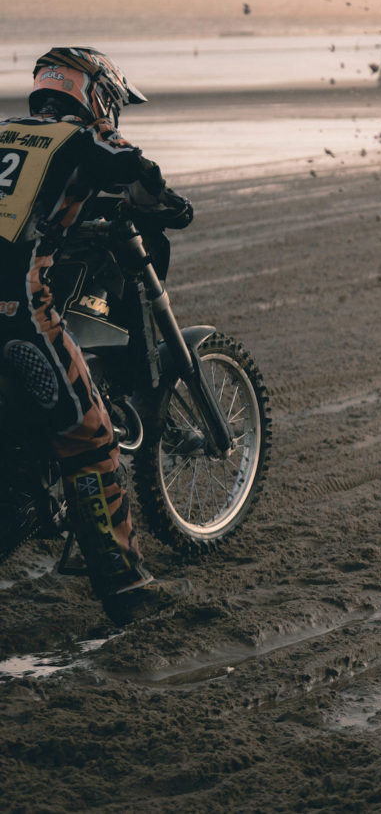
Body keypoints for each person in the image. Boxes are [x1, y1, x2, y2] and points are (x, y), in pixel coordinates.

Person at [1, 47, 193, 622]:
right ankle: (127, 591)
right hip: (17, 314)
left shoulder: (7, 133)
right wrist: (167, 203)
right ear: (96, 96)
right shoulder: (82, 140)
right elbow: (138, 170)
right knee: (89, 436)